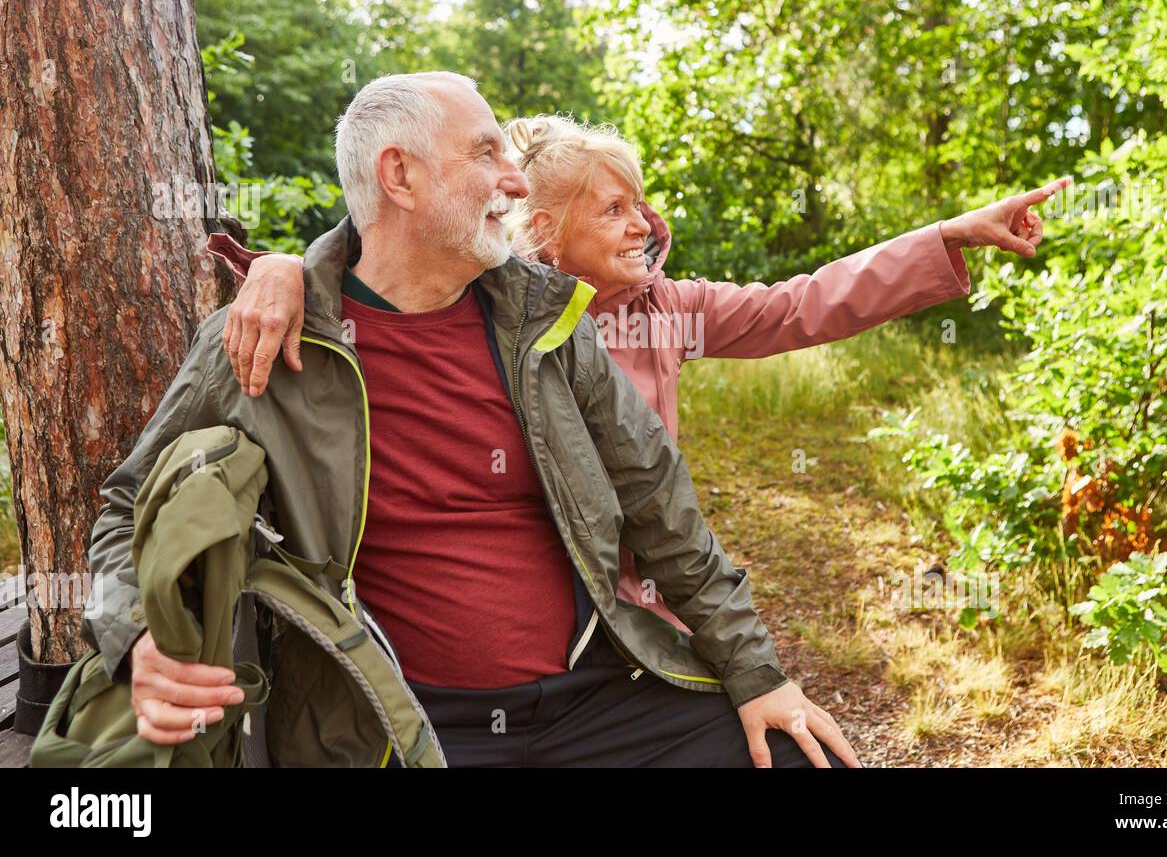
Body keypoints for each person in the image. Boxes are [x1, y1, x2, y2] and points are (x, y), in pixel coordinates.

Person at [87, 71, 859, 768]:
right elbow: (125, 508)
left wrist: (759, 674)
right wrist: (135, 640)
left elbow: (662, 509)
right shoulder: (269, 336)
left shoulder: (546, 321)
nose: (516, 181)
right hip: (393, 726)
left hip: (598, 696)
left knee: (793, 758)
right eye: (487, 153)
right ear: (400, 176)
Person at [219, 113, 1070, 631]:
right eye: (614, 209)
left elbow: (802, 303)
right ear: (545, 230)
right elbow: (384, 272)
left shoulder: (668, 309)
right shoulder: (483, 304)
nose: (642, 227)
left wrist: (946, 237)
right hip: (529, 614)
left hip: (648, 602)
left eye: (641, 206)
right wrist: (281, 267)